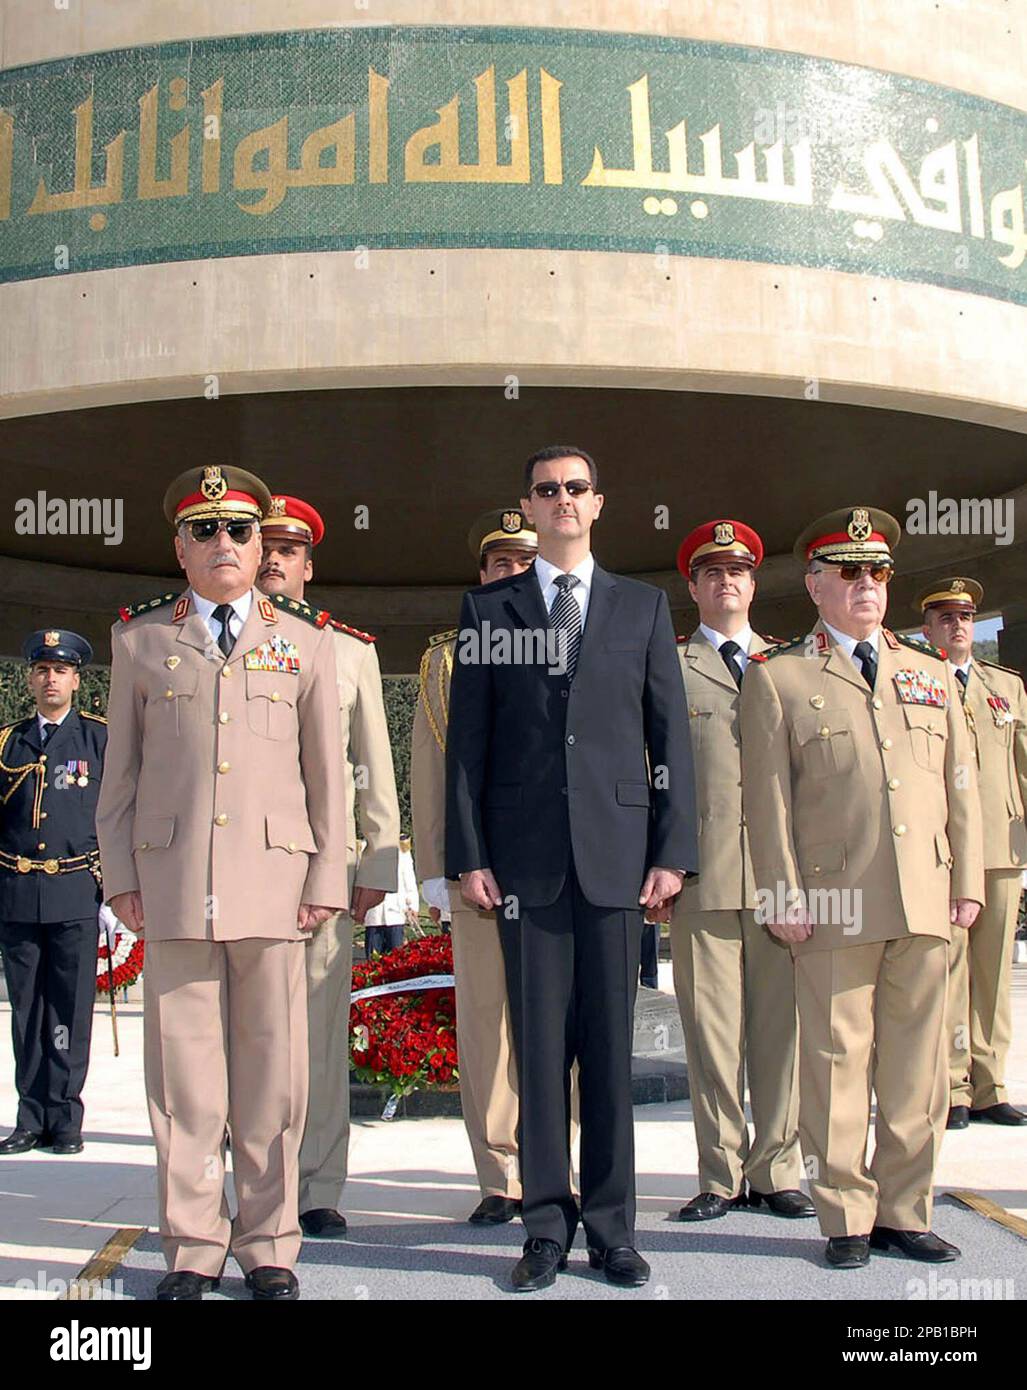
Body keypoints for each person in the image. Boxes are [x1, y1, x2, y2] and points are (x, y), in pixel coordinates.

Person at [445, 446, 698, 1291]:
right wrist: (468, 857)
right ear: (528, 504)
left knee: (608, 1054)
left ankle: (613, 1229)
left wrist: (671, 851)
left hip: (617, 860)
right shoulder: (490, 610)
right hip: (523, 868)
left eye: (575, 489)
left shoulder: (641, 607)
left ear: (598, 503)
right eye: (547, 490)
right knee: (539, 1053)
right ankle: (544, 1227)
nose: (562, 500)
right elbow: (467, 751)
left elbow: (670, 739)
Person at [97, 465, 349, 1301]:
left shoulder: (307, 640)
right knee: (185, 1082)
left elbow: (326, 780)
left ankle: (271, 1243)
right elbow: (118, 778)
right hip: (171, 887)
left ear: (259, 542)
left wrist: (326, 877)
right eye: (203, 531)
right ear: (179, 547)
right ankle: (193, 1247)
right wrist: (121, 876)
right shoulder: (138, 642)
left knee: (273, 1077)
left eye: (237, 530)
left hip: (275, 887)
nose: (223, 545)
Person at [739, 506, 984, 1269]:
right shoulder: (778, 678)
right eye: (849, 573)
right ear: (815, 586)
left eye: (877, 572)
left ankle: (903, 1210)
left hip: (925, 898)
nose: (867, 586)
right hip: (830, 906)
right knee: (837, 1064)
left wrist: (967, 883)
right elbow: (766, 803)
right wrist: (779, 894)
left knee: (916, 1070)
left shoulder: (929, 672)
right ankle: (844, 1216)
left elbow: (961, 788)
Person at [257, 494, 400, 1238]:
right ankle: (258, 1184)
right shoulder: (217, 640)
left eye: (290, 550)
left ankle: (317, 1185)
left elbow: (372, 764)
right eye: (266, 545)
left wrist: (376, 857)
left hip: (322, 869)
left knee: (315, 1032)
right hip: (240, 873)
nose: (275, 560)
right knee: (245, 1036)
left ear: (309, 567)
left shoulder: (349, 651)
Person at [670, 521, 813, 1222]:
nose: (726, 582)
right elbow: (649, 775)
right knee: (710, 1033)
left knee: (778, 1032)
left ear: (754, 584)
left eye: (738, 571)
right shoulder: (665, 667)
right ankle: (719, 1174)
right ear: (692, 587)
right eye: (712, 572)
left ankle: (776, 1170)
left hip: (779, 879)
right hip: (703, 877)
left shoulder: (790, 666)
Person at [411, 507, 537, 1224]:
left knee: (557, 1027)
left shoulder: (573, 640)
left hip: (558, 866)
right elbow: (432, 769)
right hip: (479, 868)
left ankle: (558, 1162)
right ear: (480, 575)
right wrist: (438, 865)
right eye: (499, 564)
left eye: (524, 561)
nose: (513, 573)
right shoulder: (449, 656)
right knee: (487, 1024)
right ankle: (500, 1175)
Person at [916, 577, 1027, 1128]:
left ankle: (992, 1084)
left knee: (992, 974)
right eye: (946, 618)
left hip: (1000, 849)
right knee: (950, 972)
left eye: (965, 617)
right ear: (928, 628)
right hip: (947, 850)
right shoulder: (918, 683)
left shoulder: (1007, 688)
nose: (958, 625)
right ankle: (953, 1086)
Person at [0, 630, 106, 1157]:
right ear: (30, 679)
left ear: (76, 680)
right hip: (18, 891)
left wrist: (114, 889)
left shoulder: (97, 741)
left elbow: (116, 816)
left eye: (60, 671)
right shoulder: (7, 743)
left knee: (68, 1010)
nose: (50, 679)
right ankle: (29, 1115)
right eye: (42, 670)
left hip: (73, 892)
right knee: (26, 1011)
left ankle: (65, 1116)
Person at [363, 835, 418, 958]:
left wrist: (413, 905)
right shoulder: (364, 847)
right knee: (373, 961)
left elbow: (408, 877)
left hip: (395, 913)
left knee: (397, 960)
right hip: (373, 914)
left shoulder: (399, 846)